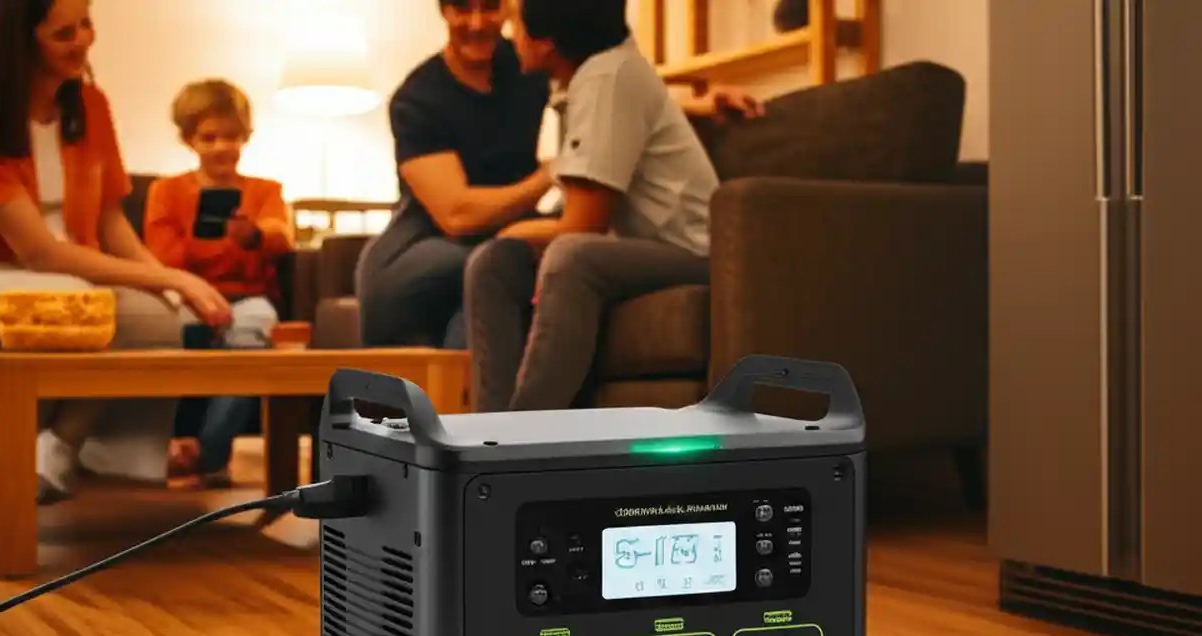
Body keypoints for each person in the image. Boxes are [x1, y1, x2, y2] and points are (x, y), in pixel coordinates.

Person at [355, 0, 761, 350]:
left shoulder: (524, 62)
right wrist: (553, 172)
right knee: (487, 262)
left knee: (495, 274)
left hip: (502, 232)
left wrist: (700, 102)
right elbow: (457, 215)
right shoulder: (419, 99)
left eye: (490, 7)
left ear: (508, 10)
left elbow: (614, 96)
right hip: (428, 242)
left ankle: (476, 417)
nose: (477, 23)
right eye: (463, 7)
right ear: (444, 11)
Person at [0, 0, 232, 504]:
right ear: (23, 41)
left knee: (161, 316)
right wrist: (174, 278)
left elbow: (111, 222)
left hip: (75, 276)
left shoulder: (90, 105)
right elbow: (40, 255)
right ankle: (38, 452)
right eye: (63, 34)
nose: (84, 41)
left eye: (86, 25)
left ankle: (61, 446)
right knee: (82, 299)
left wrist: (172, 283)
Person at [464, 0, 722, 411]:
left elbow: (582, 226)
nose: (510, 36)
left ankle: (524, 439)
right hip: (642, 247)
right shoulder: (588, 76)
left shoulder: (608, 77)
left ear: (547, 42)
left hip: (696, 252)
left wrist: (509, 230)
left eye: (516, 25)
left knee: (572, 257)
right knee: (496, 263)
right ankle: (488, 438)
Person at [143, 79, 292, 486]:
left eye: (231, 136)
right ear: (188, 140)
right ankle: (177, 443)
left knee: (252, 335)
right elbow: (164, 259)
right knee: (172, 332)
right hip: (183, 298)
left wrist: (253, 238)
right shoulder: (166, 192)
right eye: (209, 137)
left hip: (248, 300)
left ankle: (208, 453)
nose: (221, 147)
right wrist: (232, 248)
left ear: (246, 137)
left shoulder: (265, 191)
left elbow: (279, 239)